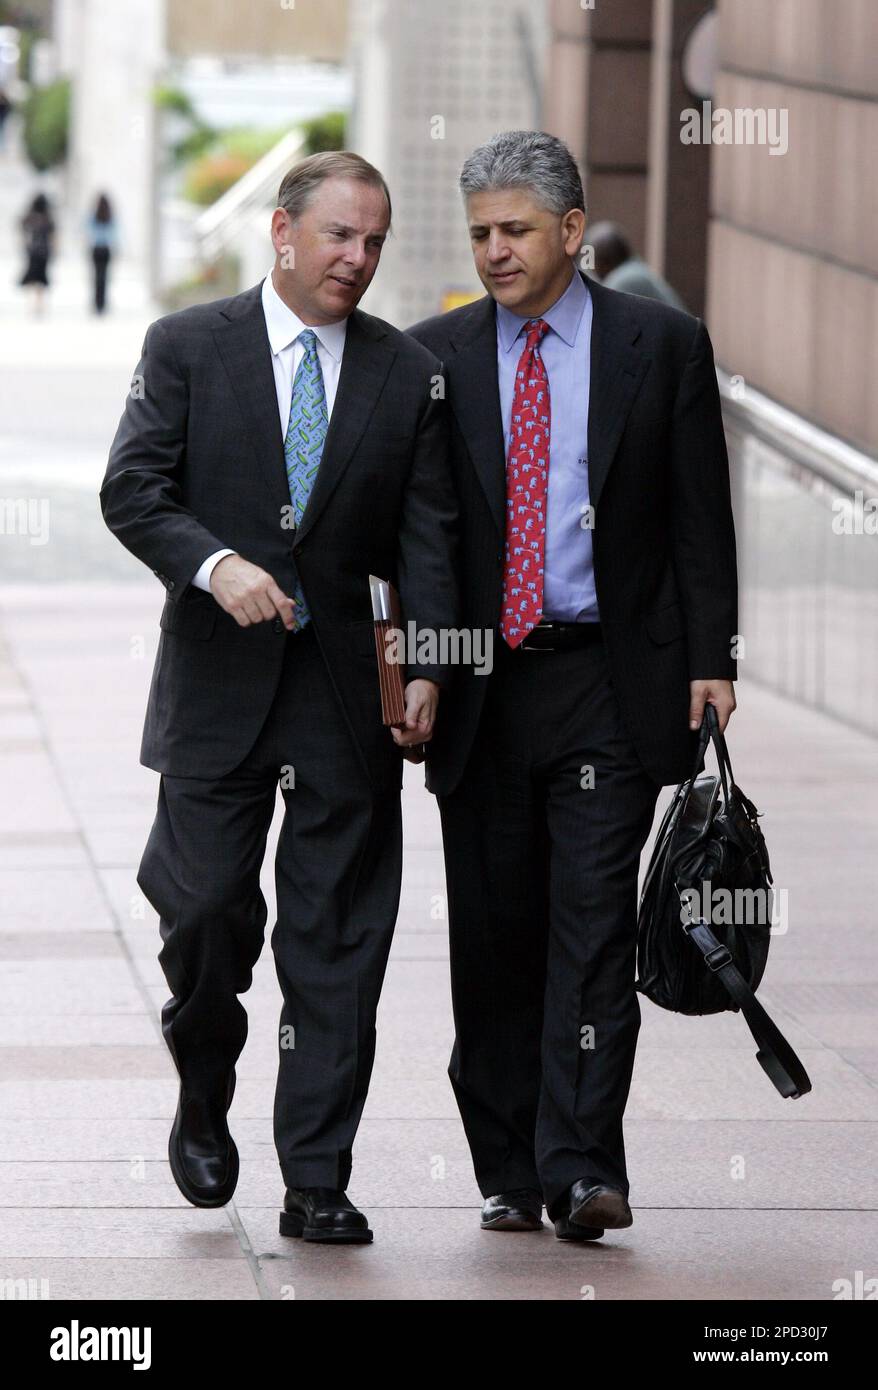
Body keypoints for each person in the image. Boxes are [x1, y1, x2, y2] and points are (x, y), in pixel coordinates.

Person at [100, 151, 458, 1243]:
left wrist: (431, 661)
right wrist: (215, 566)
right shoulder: (187, 347)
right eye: (341, 235)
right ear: (282, 231)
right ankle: (203, 1089)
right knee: (205, 916)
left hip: (345, 699)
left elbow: (429, 533)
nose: (359, 259)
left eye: (376, 241)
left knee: (337, 941)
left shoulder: (406, 374)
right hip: (216, 690)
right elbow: (133, 489)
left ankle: (316, 1176)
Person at [407, 130, 737, 1241]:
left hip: (607, 675)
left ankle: (584, 1163)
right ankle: (505, 1164)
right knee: (495, 935)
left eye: (511, 231)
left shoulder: (660, 345)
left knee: (591, 929)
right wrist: (408, 656)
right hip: (481, 687)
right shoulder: (433, 356)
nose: (493, 252)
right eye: (478, 235)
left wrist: (710, 659)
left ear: (569, 228)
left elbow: (699, 516)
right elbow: (416, 534)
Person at [589, 219, 686, 309]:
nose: (591, 268)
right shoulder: (634, 270)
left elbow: (604, 315)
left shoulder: (624, 279)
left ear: (603, 261)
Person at [19, 192, 55, 315]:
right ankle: (38, 305)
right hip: (43, 252)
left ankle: (31, 304)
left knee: (33, 278)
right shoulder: (47, 218)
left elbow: (22, 232)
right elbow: (53, 236)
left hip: (32, 252)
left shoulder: (30, 218)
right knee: (40, 279)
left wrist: (25, 246)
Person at [86, 193, 117, 314]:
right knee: (104, 276)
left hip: (96, 248)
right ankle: (103, 303)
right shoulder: (110, 216)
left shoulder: (94, 216)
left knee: (96, 276)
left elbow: (88, 230)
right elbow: (115, 233)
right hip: (106, 249)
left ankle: (96, 303)